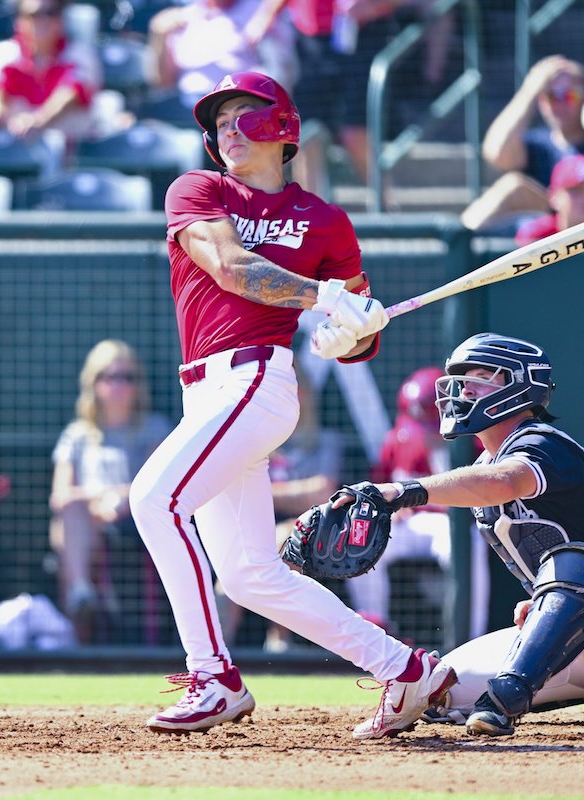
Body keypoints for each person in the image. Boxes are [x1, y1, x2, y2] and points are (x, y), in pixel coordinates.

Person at [128, 70, 455, 739]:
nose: (225, 128)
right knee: (248, 574)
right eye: (217, 119)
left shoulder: (325, 221)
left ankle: (212, 676)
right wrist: (323, 298)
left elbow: (358, 335)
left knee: (153, 500)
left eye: (243, 114)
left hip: (256, 381)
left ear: (282, 128)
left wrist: (351, 332)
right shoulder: (199, 188)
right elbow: (230, 266)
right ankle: (406, 668)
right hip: (209, 391)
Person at [334, 333, 584, 737]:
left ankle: (507, 701)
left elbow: (506, 480)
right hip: (577, 647)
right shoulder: (486, 461)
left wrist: (403, 491)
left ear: (519, 386)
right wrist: (546, 603)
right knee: (441, 689)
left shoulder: (543, 442)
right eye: (463, 379)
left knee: (575, 561)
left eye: (481, 376)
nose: (464, 389)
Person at [48, 339, 173, 642]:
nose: (117, 385)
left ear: (138, 385)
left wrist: (116, 499)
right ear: (93, 383)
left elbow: (157, 485)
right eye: (108, 377)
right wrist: (100, 501)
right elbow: (60, 496)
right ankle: (81, 598)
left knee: (85, 518)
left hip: (134, 520)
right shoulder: (76, 435)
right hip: (87, 523)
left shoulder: (155, 428)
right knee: (68, 517)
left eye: (126, 377)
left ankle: (82, 602)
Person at [215, 362, 343, 652]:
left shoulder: (326, 441)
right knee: (236, 562)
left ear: (307, 395)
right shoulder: (254, 439)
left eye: (296, 389)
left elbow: (323, 490)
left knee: (281, 541)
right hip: (249, 526)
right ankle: (220, 653)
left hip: (309, 528)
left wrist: (264, 493)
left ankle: (279, 641)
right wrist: (293, 492)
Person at [460, 56, 584, 233]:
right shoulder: (536, 145)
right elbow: (496, 153)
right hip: (548, 223)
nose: (560, 104)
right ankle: (457, 242)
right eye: (551, 96)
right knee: (512, 185)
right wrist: (530, 90)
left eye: (570, 94)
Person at [346, 367, 461, 633]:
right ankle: (374, 633)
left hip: (447, 525)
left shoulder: (470, 444)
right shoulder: (399, 440)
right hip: (406, 524)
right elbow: (377, 487)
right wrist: (386, 510)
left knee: (462, 545)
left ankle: (466, 635)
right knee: (360, 541)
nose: (428, 432)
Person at [244, 0, 402, 186]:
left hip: (363, 37)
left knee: (354, 131)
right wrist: (266, 15)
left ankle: (383, 203)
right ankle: (309, 210)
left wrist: (374, 5)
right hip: (311, 41)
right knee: (307, 132)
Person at [0, 0, 102, 143]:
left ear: (61, 18)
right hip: (13, 146)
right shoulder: (2, 54)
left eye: (50, 13)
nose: (43, 21)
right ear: (19, 20)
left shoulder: (80, 54)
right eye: (33, 15)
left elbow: (68, 95)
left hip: (69, 153)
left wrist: (37, 120)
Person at [146, 0, 296, 110]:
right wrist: (159, 36)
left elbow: (283, 69)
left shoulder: (260, 10)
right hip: (191, 107)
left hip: (244, 103)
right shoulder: (182, 17)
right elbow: (163, 84)